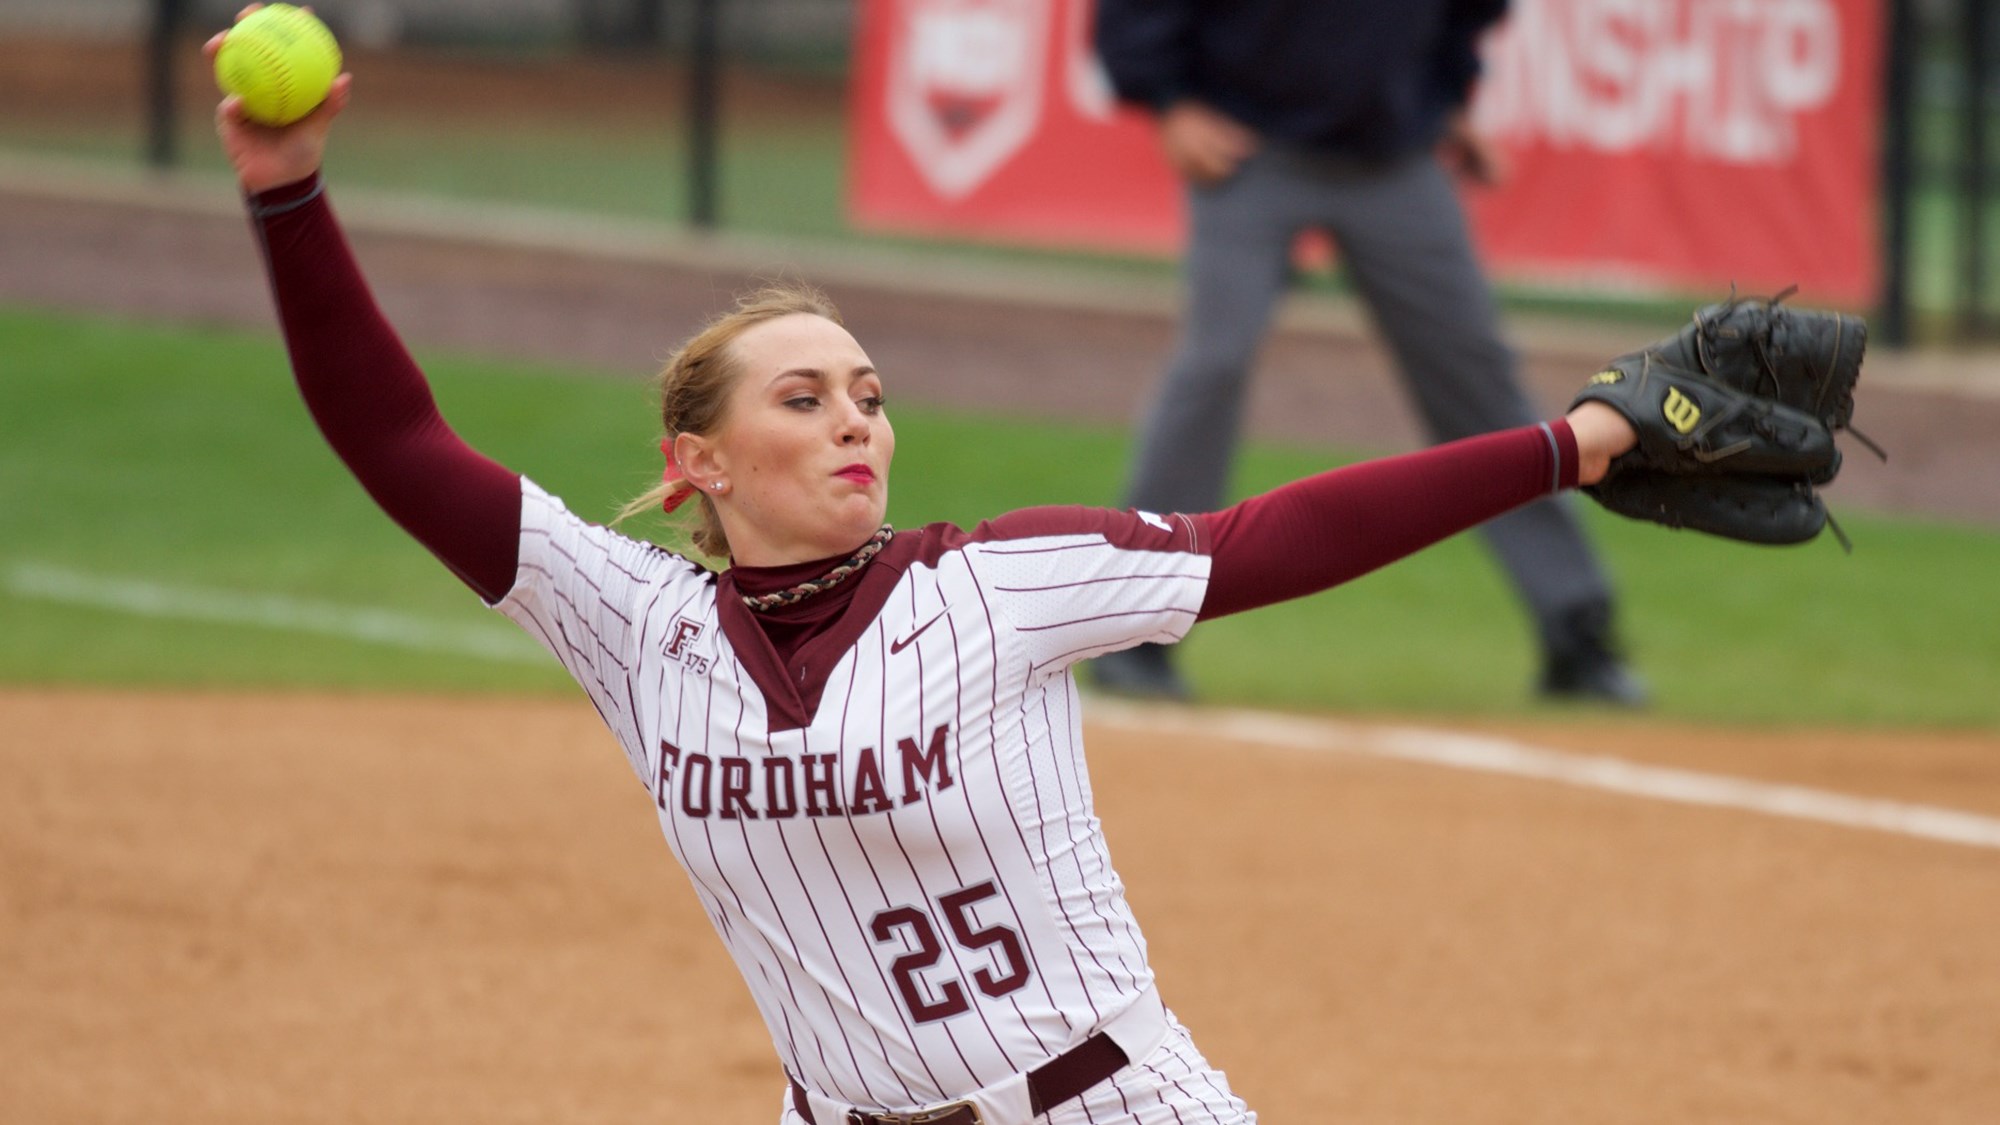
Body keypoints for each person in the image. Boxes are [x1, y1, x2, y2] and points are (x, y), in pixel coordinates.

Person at [208, 16, 1643, 1125]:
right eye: (803, 398)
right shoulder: (636, 628)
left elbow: (1271, 538)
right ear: (697, 462)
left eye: (869, 395)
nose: (855, 420)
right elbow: (394, 438)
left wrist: (1566, 445)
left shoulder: (999, 585)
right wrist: (287, 195)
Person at [1088, 0, 1647, 706]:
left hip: (1394, 160)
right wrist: (1169, 103)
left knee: (1476, 377)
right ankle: (1135, 631)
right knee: (1214, 364)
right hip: (1248, 149)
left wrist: (1447, 98)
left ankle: (1578, 629)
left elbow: (1463, 14)